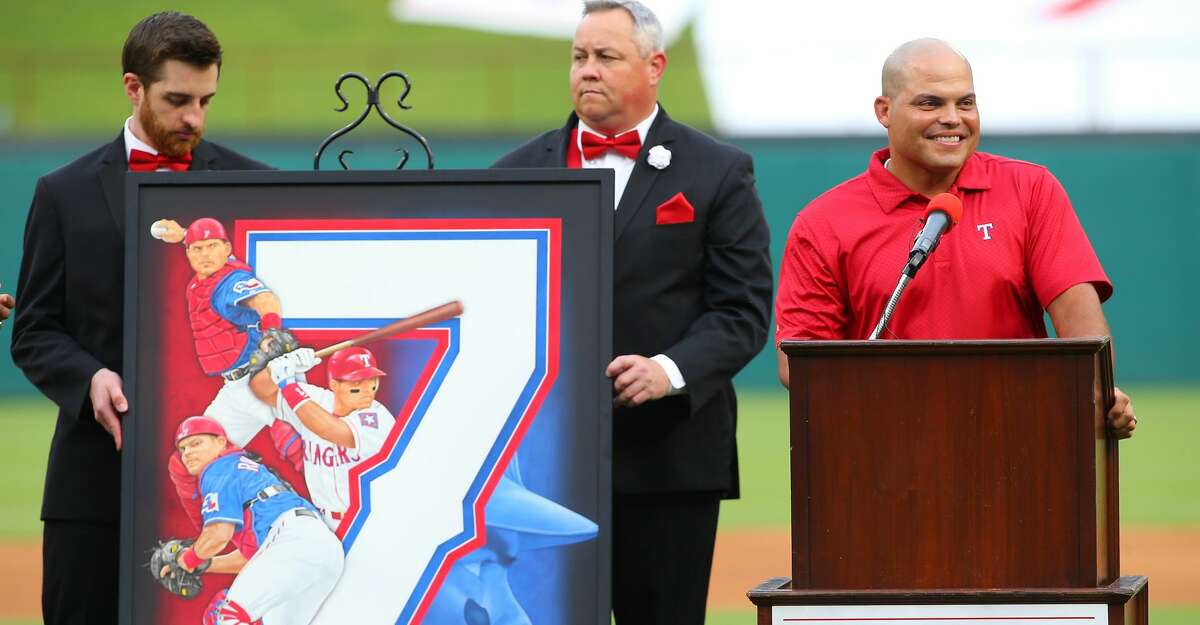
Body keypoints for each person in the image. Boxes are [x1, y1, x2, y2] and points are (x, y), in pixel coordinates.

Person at [493, 1, 773, 621]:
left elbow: (743, 311)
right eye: (579, 56)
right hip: (538, 464)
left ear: (655, 66)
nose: (587, 71)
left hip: (668, 461)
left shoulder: (718, 172)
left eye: (606, 57)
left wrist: (667, 371)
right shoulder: (514, 175)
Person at [8, 12, 270, 624]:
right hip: (94, 486)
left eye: (206, 101)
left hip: (221, 489)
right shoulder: (61, 193)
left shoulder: (255, 188)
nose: (195, 120)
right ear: (134, 87)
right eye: (178, 100)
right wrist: (89, 378)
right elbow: (35, 329)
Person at [774, 38, 1136, 439]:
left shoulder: (1030, 189)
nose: (953, 118)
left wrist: (1100, 396)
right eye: (930, 103)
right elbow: (800, 363)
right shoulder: (822, 221)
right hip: (885, 455)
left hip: (1021, 446)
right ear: (884, 111)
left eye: (965, 103)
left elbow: (1085, 336)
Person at [167, 416, 343, 625]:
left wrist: (187, 560)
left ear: (221, 442)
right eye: (183, 448)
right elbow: (261, 557)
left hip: (295, 539)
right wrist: (205, 564)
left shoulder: (218, 469)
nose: (188, 453)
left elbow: (218, 534)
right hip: (319, 550)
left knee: (224, 615)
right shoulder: (243, 468)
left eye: (196, 443)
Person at [151, 216, 289, 446]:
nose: (205, 254)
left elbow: (265, 300)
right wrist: (185, 235)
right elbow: (208, 249)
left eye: (212, 246)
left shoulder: (230, 281)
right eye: (197, 249)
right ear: (188, 253)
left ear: (227, 249)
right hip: (235, 386)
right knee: (204, 450)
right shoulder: (204, 280)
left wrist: (272, 331)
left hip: (261, 378)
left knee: (300, 443)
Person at [249, 346, 398, 528]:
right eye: (357, 384)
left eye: (371, 381)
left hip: (368, 522)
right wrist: (279, 366)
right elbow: (261, 389)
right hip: (323, 520)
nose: (368, 390)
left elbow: (330, 430)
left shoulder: (378, 417)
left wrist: (289, 385)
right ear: (335, 385)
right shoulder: (317, 401)